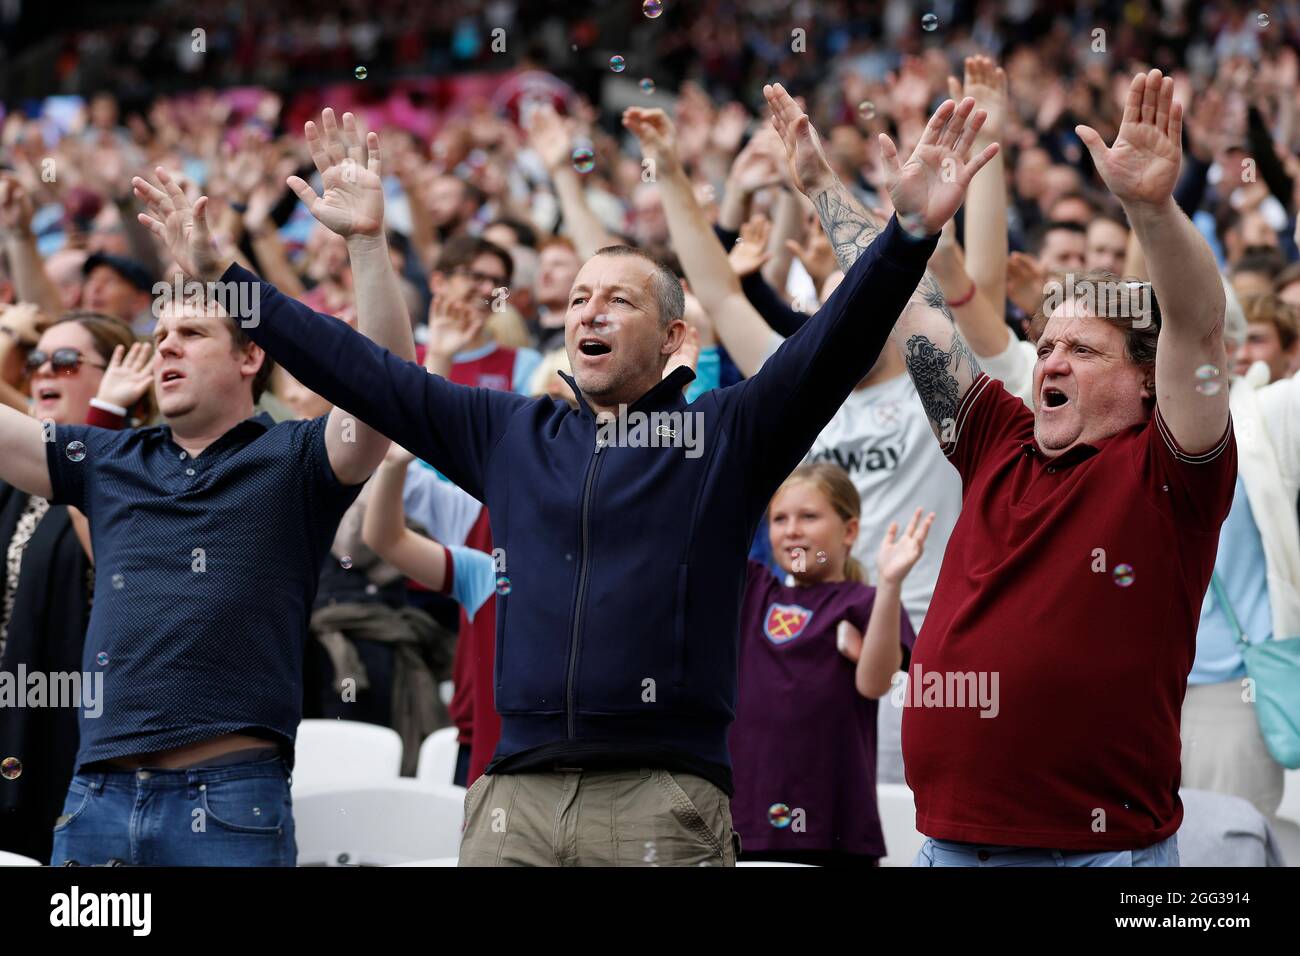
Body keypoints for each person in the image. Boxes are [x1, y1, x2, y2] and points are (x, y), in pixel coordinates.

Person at [150, 90, 995, 866]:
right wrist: (231, 281)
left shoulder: (726, 435)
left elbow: (833, 344)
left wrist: (906, 237)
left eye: (618, 300)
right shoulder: (510, 431)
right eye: (579, 297)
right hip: (511, 795)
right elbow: (366, 374)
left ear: (673, 340)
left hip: (661, 799)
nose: (588, 309)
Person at [774, 69, 1236, 866]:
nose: (1048, 359)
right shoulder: (996, 434)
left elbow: (1196, 324)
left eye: (1081, 349)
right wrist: (830, 190)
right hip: (947, 846)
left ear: (1145, 379)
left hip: (1093, 854)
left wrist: (1151, 210)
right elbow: (905, 307)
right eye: (1046, 344)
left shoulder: (1168, 471)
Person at [0, 108, 412, 866]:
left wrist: (364, 244)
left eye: (190, 335)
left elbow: (389, 391)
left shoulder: (296, 458)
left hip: (230, 804)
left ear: (251, 358)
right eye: (158, 338)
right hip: (93, 802)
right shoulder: (110, 457)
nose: (166, 350)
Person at [0, 314, 149, 862]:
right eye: (37, 360)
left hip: (81, 720)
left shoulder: (141, 465)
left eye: (64, 362)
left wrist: (101, 423)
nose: (44, 372)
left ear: (119, 374)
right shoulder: (20, 474)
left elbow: (119, 566)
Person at [730, 462, 931, 867]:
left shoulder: (865, 602)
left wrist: (890, 584)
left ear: (850, 531)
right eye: (779, 519)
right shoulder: (753, 589)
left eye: (809, 517)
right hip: (746, 823)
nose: (792, 531)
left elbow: (876, 683)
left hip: (835, 826)